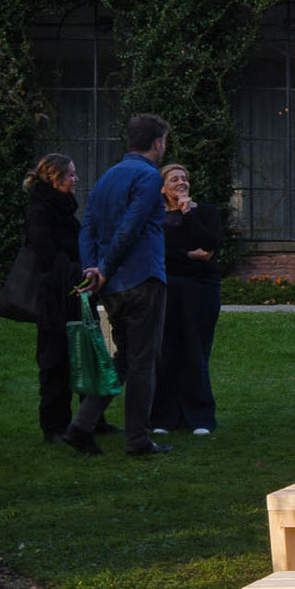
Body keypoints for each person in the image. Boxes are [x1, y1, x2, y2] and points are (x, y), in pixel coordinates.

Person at [77, 113, 171, 458]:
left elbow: (87, 226)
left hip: (112, 283)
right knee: (144, 361)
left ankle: (82, 424)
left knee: (124, 359)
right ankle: (138, 440)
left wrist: (94, 268)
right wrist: (104, 266)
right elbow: (130, 229)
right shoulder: (148, 177)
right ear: (157, 142)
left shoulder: (106, 178)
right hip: (141, 278)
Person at [151, 162, 222, 437]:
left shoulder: (204, 212)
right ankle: (164, 416)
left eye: (184, 179)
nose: (181, 183)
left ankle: (200, 415)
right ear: (162, 188)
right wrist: (187, 255)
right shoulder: (155, 216)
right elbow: (159, 252)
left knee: (196, 350)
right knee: (167, 351)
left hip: (200, 289)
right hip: (167, 288)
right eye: (174, 179)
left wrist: (189, 214)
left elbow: (211, 243)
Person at [20, 153, 86, 443]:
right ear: (56, 179)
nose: (76, 179)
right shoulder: (41, 210)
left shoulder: (60, 207)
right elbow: (44, 253)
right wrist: (75, 271)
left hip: (71, 289)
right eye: (71, 174)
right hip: (55, 295)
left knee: (83, 354)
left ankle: (88, 418)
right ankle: (55, 425)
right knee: (55, 359)